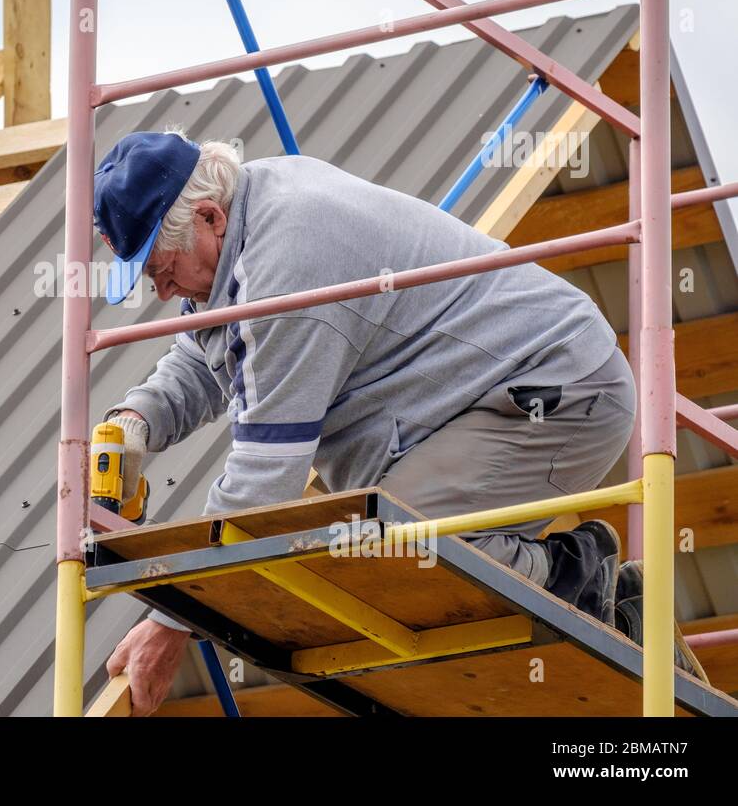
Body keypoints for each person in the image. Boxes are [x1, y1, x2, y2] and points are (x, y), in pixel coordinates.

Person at [93, 130, 647, 716]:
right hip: (486, 400)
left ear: (209, 217)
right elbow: (210, 352)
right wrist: (137, 420)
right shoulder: (250, 212)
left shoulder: (291, 260)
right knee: (368, 555)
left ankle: (581, 582)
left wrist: (171, 618)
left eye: (161, 266)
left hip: (556, 391)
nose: (160, 291)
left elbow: (263, 482)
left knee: (389, 552)